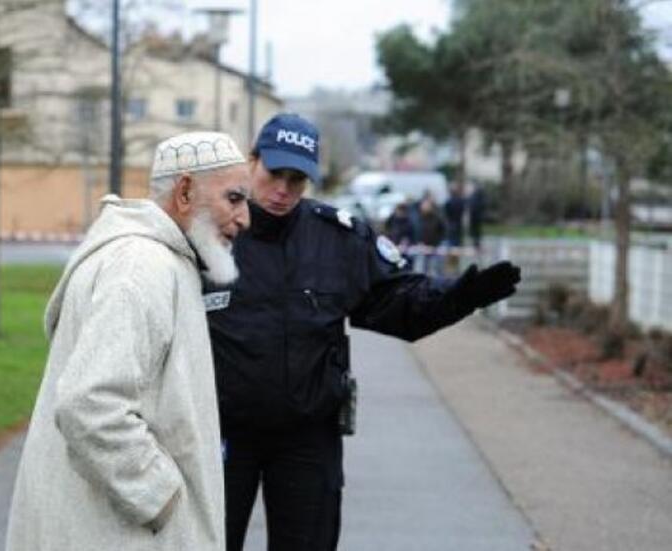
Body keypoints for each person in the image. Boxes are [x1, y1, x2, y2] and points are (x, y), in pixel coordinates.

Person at [204, 113, 521, 551]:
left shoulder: (338, 239)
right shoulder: (209, 235)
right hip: (218, 433)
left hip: (306, 438)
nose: (283, 190)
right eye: (275, 173)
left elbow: (399, 303)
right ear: (252, 161)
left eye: (297, 180)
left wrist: (462, 296)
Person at [5, 131, 251, 551]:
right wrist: (161, 497)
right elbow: (91, 403)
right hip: (118, 533)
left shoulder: (157, 259)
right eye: (234, 198)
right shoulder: (142, 266)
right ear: (186, 191)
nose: (245, 218)